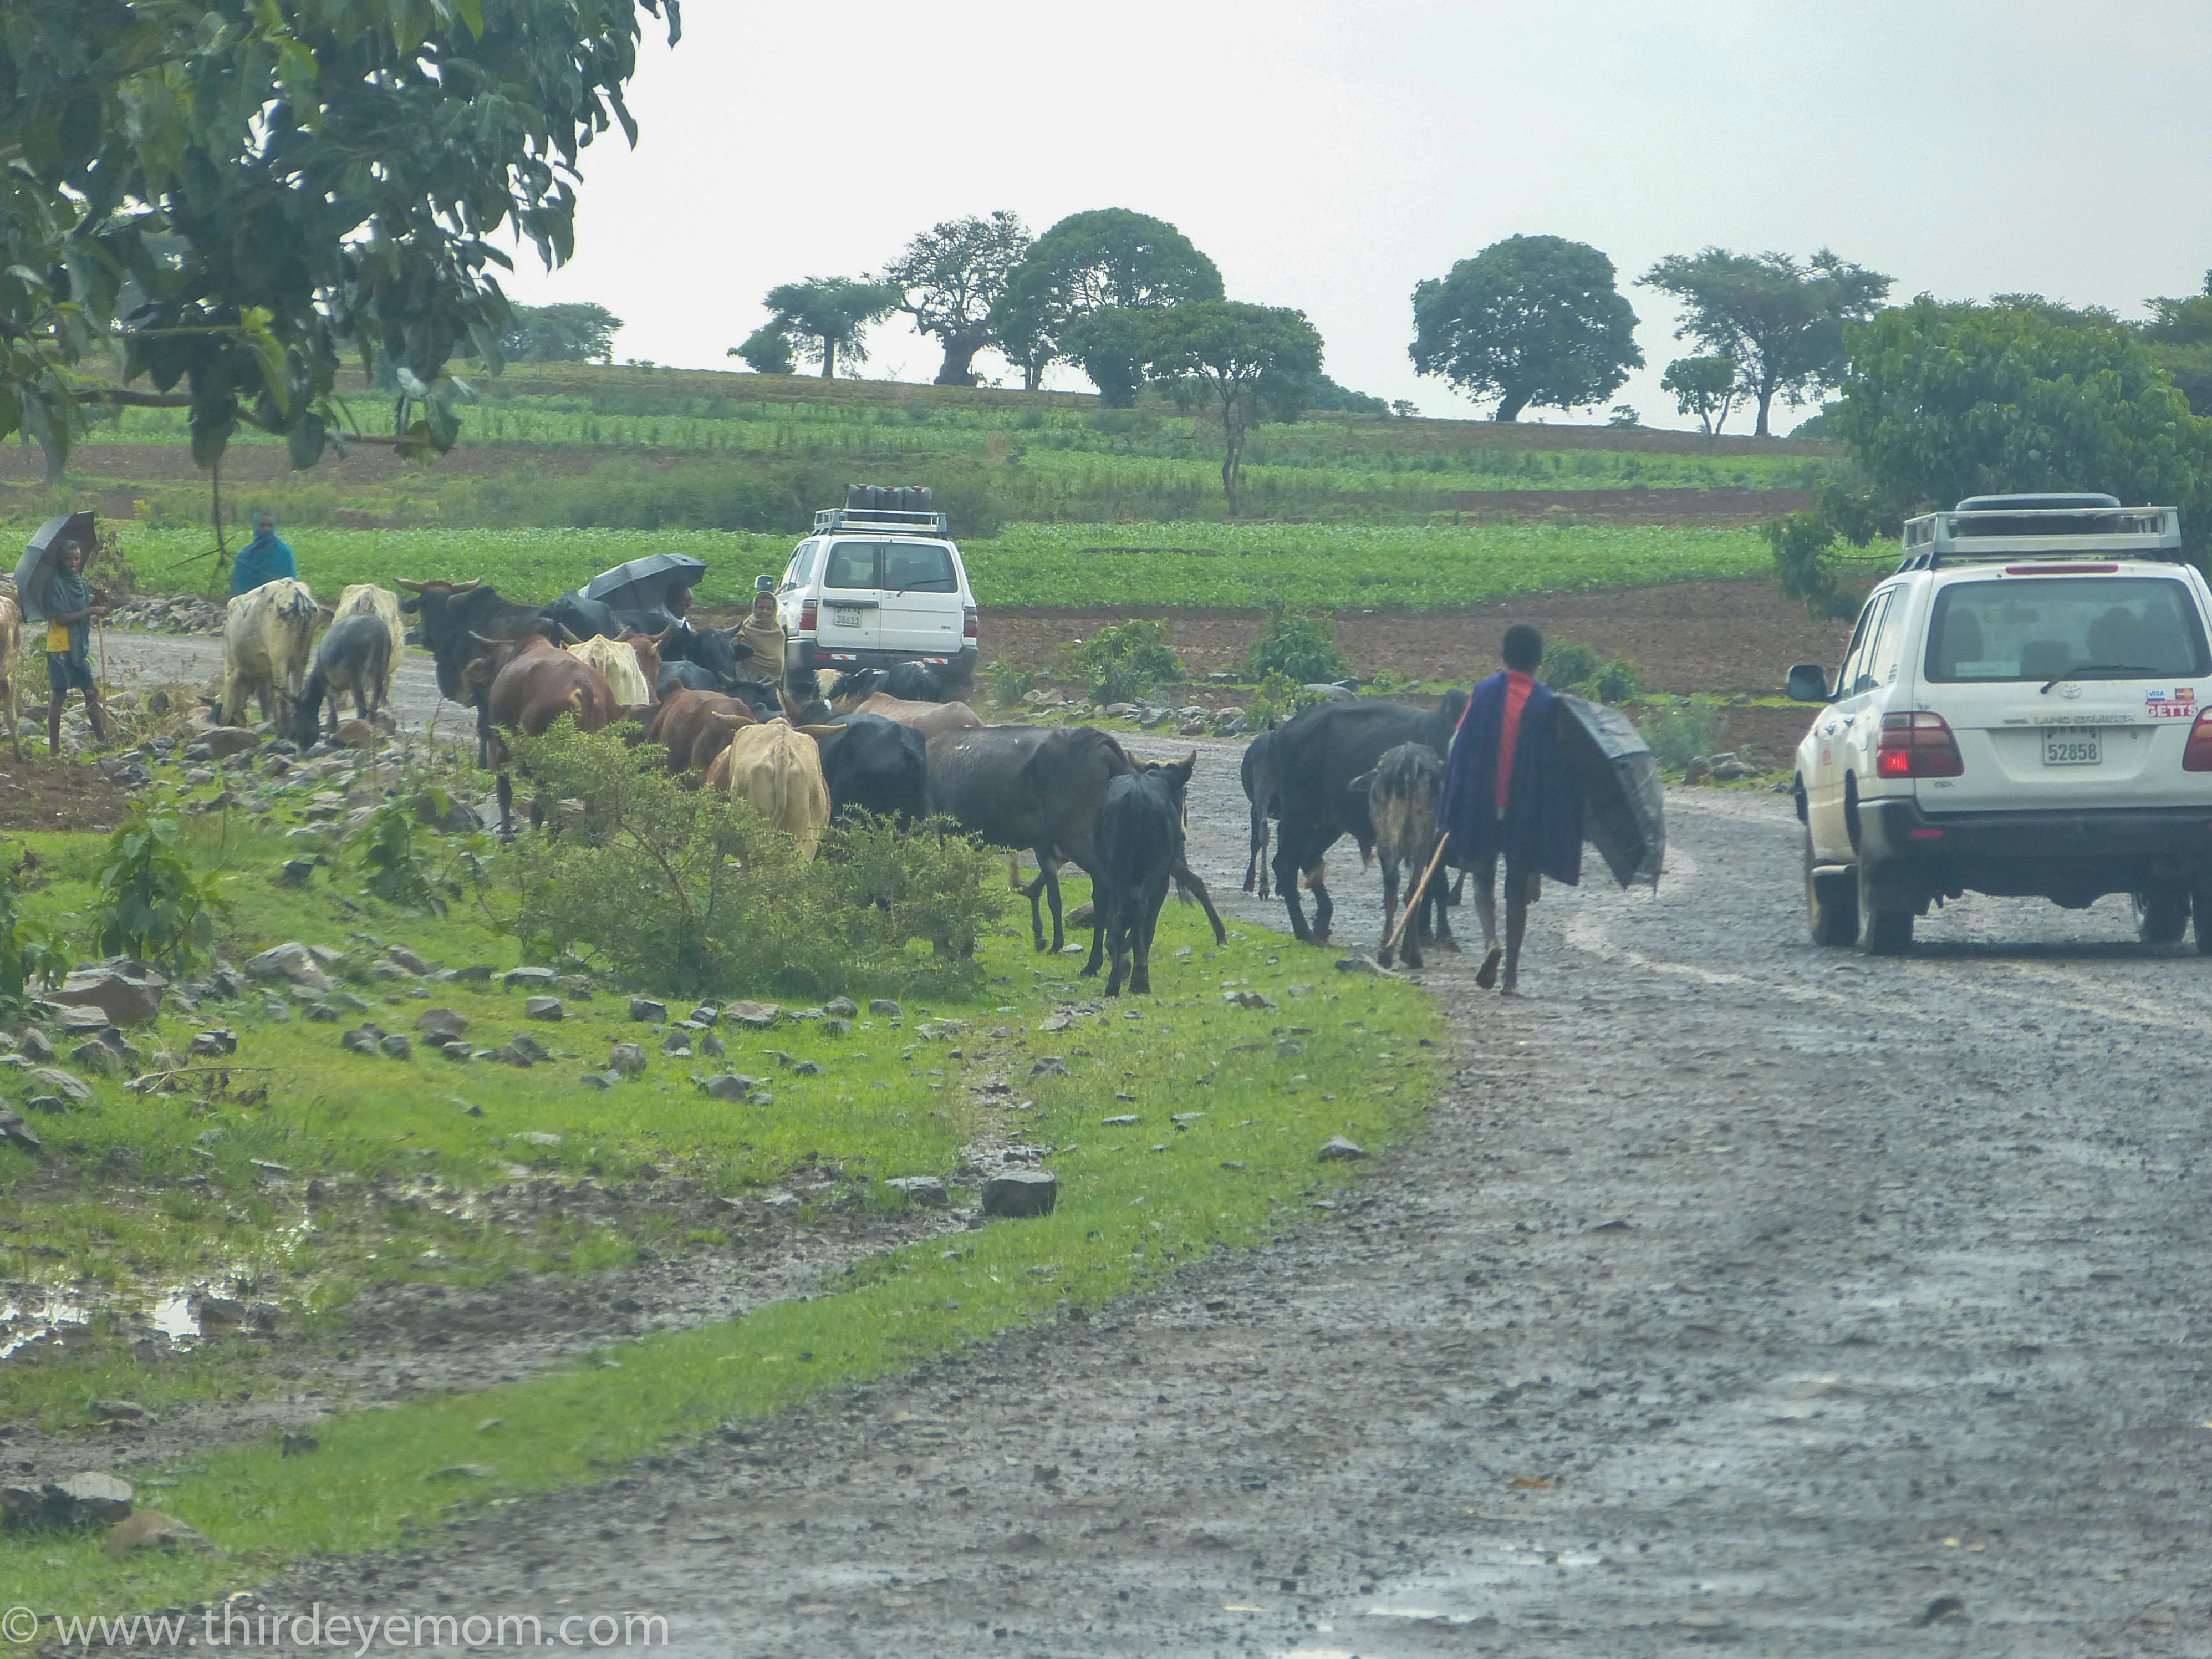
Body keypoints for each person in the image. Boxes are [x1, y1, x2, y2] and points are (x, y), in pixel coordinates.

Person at [1437, 623, 1583, 996]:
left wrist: (1451, 810)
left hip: (1482, 806)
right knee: (1516, 892)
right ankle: (1512, 978)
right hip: (1525, 810)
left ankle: (1490, 943)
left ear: (1504, 657)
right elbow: (1554, 770)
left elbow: (1459, 750)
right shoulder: (1545, 702)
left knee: (1482, 880)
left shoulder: (1483, 694)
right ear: (1539, 661)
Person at [41, 538, 109, 755]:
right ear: (61, 560)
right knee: (59, 695)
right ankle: (54, 749)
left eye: (77, 559)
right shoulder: (54, 584)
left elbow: (80, 612)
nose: (73, 563)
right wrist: (91, 611)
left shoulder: (78, 582)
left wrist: (95, 604)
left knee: (91, 691)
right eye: (69, 559)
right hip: (60, 647)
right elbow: (61, 618)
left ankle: (103, 741)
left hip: (78, 647)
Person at [737, 574, 787, 691]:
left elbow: (777, 664)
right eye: (761, 608)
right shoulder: (745, 628)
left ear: (774, 611)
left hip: (770, 687)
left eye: (769, 609)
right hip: (745, 685)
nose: (765, 612)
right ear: (755, 608)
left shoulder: (778, 634)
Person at [230, 510, 296, 596]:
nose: (266, 529)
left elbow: (291, 585)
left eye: (270, 526)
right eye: (262, 525)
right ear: (255, 527)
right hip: (249, 604)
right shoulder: (244, 556)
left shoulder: (284, 553)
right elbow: (238, 588)